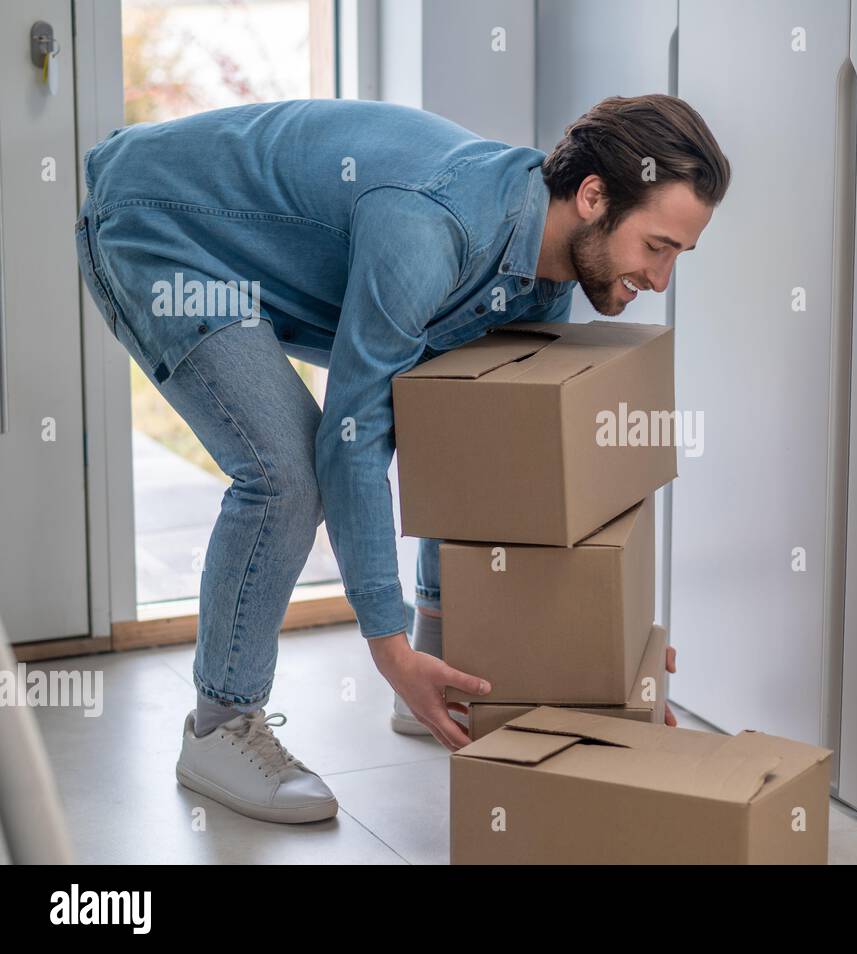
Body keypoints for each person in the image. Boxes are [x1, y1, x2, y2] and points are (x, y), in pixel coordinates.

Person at [73, 95, 729, 824]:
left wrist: (610, 651)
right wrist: (386, 647)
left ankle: (444, 654)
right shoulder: (430, 228)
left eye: (678, 255)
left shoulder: (542, 284)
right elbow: (351, 444)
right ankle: (219, 728)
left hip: (254, 243)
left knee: (474, 424)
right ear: (593, 197)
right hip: (162, 223)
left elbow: (485, 457)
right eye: (657, 247)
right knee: (286, 476)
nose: (661, 281)